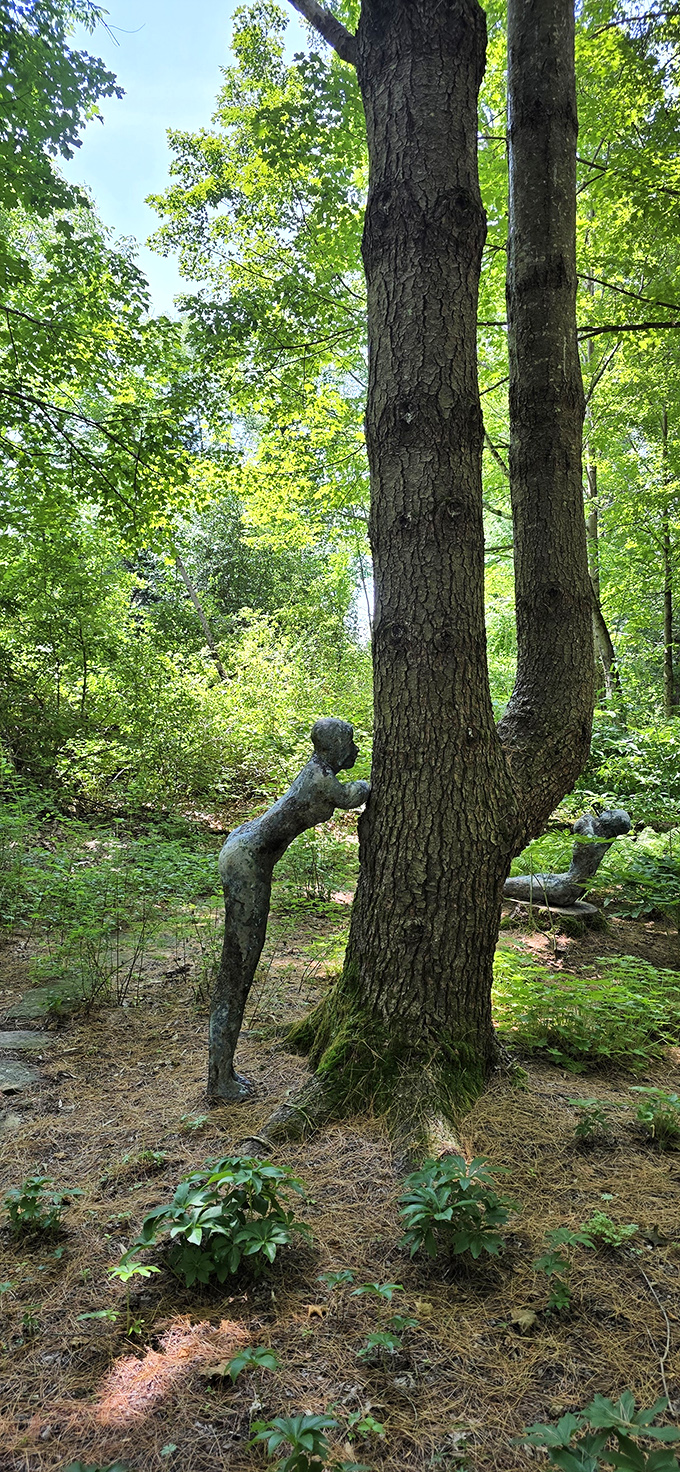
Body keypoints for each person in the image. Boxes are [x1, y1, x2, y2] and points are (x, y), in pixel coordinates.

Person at [208, 718, 370, 1100]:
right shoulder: (321, 779)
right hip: (247, 861)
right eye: (351, 742)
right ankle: (219, 1080)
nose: (356, 750)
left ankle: (222, 1073)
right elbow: (353, 795)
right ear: (334, 747)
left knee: (239, 965)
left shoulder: (317, 770)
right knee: (238, 967)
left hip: (244, 847)